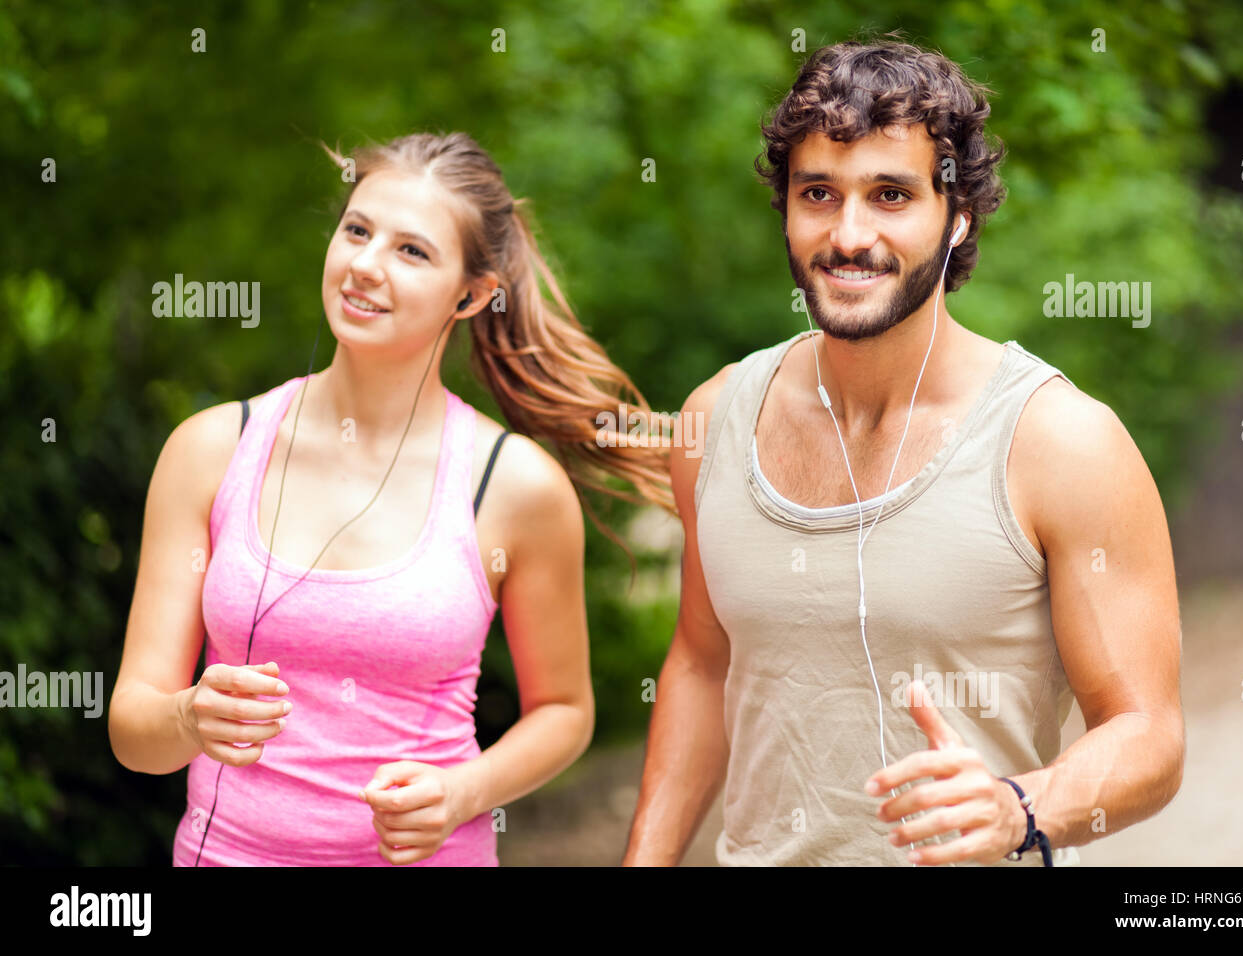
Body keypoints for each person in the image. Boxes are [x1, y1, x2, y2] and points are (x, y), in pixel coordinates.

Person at [623, 38, 1184, 866]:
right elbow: (703, 668)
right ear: (785, 207)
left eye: (890, 195)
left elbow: (1148, 732)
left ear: (957, 217)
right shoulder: (714, 422)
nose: (849, 235)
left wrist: (1018, 806)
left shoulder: (1060, 441)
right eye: (819, 193)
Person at [108, 131, 674, 866]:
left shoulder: (512, 485)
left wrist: (465, 793)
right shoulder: (211, 450)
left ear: (471, 295)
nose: (365, 267)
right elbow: (133, 731)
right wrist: (188, 716)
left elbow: (564, 712)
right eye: (357, 231)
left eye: (412, 252)